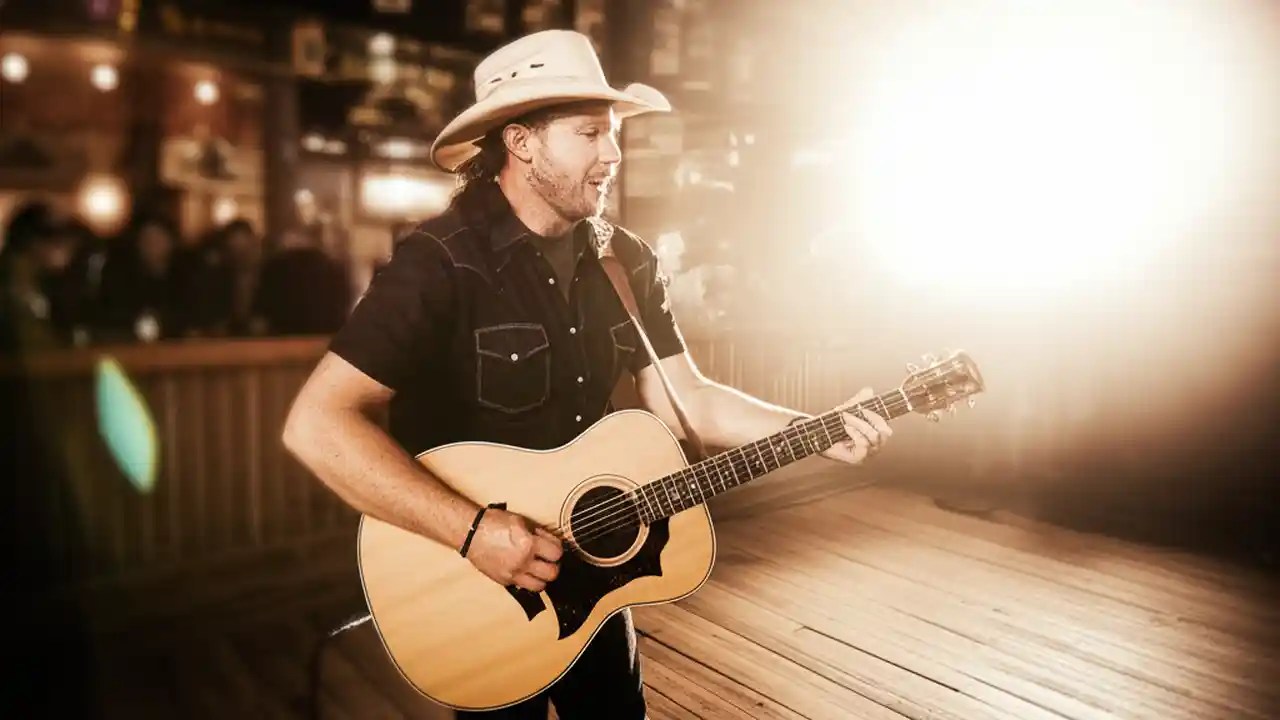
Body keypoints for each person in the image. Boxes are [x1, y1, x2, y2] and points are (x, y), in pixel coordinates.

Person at [281, 30, 892, 719]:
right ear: (521, 143)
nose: (613, 155)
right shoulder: (439, 263)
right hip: (473, 589)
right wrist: (475, 533)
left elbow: (686, 398)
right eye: (589, 134)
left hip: (596, 571)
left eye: (612, 134)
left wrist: (811, 429)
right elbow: (317, 425)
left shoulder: (624, 261)